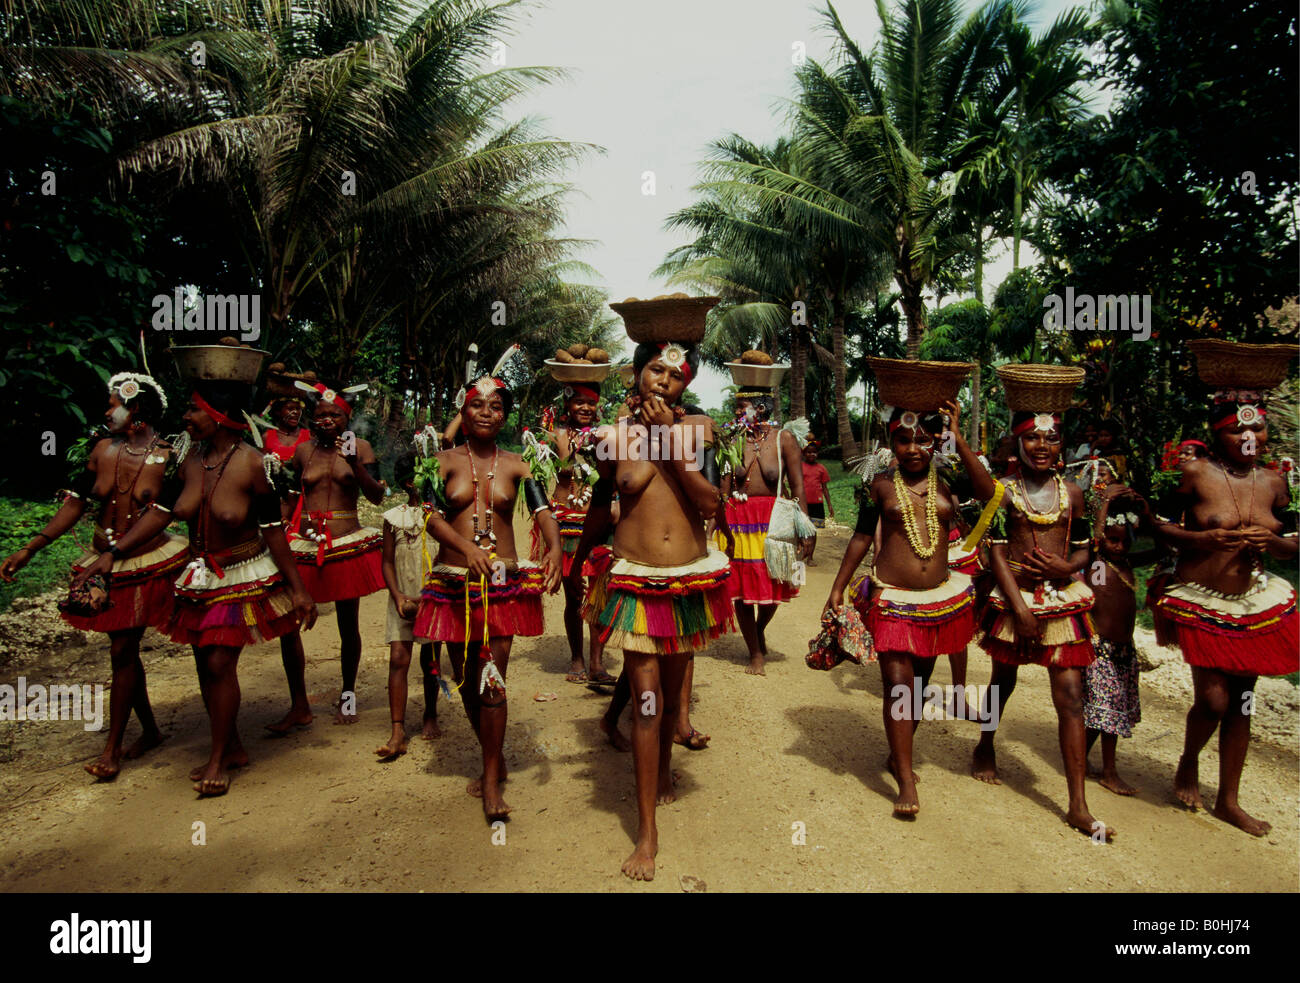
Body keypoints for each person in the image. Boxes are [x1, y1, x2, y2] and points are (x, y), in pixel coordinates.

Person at [75, 354, 317, 796]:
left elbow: (274, 532)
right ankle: (234, 745)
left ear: (220, 417)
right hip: (198, 575)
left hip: (242, 572)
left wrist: (298, 591)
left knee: (220, 661)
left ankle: (218, 757)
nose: (185, 416)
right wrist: (114, 552)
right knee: (204, 662)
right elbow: (161, 514)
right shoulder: (188, 460)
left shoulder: (253, 464)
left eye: (193, 409)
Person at [568, 333, 733, 881]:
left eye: (677, 376)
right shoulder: (613, 437)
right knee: (645, 697)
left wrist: (668, 440)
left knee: (670, 688)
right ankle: (646, 832)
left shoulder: (698, 431)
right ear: (636, 375)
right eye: (656, 372)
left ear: (687, 385)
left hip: (686, 580)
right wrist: (576, 561)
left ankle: (663, 768)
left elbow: (710, 503)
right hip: (635, 579)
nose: (665, 382)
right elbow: (600, 500)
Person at [2, 372, 189, 781]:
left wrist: (117, 553)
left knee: (123, 651)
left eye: (112, 404)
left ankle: (113, 749)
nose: (106, 412)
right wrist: (31, 547)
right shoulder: (101, 449)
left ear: (135, 407)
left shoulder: (169, 456)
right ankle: (151, 732)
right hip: (103, 559)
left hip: (144, 561)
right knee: (124, 651)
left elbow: (163, 514)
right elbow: (77, 503)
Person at [825, 382, 997, 816]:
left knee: (918, 689)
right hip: (893, 599)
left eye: (923, 438)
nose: (914, 448)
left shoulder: (951, 478)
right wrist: (837, 586)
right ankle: (905, 779)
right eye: (904, 439)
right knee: (898, 685)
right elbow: (862, 536)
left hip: (937, 600)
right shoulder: (880, 484)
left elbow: (988, 491)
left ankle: (896, 754)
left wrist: (956, 438)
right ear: (891, 442)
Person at [1152, 351, 1298, 836]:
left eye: (1256, 431)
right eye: (1238, 430)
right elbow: (1157, 526)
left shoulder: (1277, 482)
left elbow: (1293, 543)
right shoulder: (1194, 475)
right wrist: (1201, 540)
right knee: (1213, 700)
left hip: (1254, 605)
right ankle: (1190, 760)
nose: (1249, 439)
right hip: (1200, 599)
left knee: (1243, 701)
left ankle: (1229, 800)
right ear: (1218, 432)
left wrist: (1274, 542)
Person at [972, 365, 1113, 840]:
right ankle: (986, 744)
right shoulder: (1003, 492)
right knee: (1002, 682)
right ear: (1017, 443)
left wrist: (1067, 569)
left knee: (1071, 695)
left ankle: (1077, 804)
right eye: (1032, 438)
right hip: (1015, 599)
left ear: (1060, 447)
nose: (1041, 446)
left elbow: (1084, 546)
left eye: (1050, 440)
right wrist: (1020, 609)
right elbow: (993, 551)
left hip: (1062, 599)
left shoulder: (1072, 492)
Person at [415, 368, 562, 820]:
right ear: (464, 411)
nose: (486, 412)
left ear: (504, 416)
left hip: (502, 585)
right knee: (463, 680)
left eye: (495, 406)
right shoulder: (439, 463)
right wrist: (464, 549)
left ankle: (492, 777)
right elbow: (429, 516)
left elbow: (543, 511)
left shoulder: (519, 463)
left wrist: (554, 545)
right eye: (478, 405)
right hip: (452, 582)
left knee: (491, 681)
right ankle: (492, 757)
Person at [269, 382, 386, 731]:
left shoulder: (361, 447)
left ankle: (348, 696)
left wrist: (356, 464)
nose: (326, 420)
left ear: (346, 417)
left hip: (345, 542)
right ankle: (299, 704)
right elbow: (289, 500)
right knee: (289, 625)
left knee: (347, 626)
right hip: (303, 545)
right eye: (320, 415)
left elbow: (378, 495)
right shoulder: (302, 452)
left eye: (334, 415)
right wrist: (276, 535)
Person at [720, 387, 813, 676]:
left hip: (775, 518)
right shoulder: (731, 439)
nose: (737, 411)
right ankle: (755, 652)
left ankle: (759, 628)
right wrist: (716, 520)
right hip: (738, 518)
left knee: (777, 580)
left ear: (760, 408)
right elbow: (724, 483)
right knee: (741, 587)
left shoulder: (784, 438)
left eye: (742, 406)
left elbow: (797, 484)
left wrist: (806, 528)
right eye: (736, 406)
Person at [542, 381, 617, 685]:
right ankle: (577, 658)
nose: (585, 408)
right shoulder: (553, 436)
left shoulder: (606, 436)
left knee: (598, 593)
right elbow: (534, 477)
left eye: (591, 403)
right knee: (574, 595)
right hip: (566, 523)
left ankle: (597, 663)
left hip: (597, 522)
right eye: (579, 402)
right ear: (568, 404)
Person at [1083, 489, 1154, 796]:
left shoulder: (1128, 562)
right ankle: (1110, 772)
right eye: (1114, 539)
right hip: (1100, 650)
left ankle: (1079, 755)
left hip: (1124, 652)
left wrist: (1146, 513)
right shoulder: (1098, 565)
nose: (1119, 545)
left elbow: (1164, 548)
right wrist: (1108, 504)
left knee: (1104, 711)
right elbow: (1096, 539)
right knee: (1109, 712)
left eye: (1125, 541)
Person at [375, 452, 442, 757]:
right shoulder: (393, 517)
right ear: (407, 482)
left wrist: (431, 593)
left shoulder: (440, 516)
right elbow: (387, 562)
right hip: (400, 597)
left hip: (432, 597)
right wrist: (398, 595)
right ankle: (397, 729)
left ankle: (430, 713)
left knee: (431, 659)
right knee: (398, 659)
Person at [801, 440, 834, 544]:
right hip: (803, 504)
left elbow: (825, 488)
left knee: (814, 530)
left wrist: (829, 505)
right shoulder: (799, 467)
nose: (812, 454)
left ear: (817, 453)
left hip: (817, 504)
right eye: (809, 452)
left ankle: (810, 555)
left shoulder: (821, 468)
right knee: (802, 529)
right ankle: (802, 551)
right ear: (804, 453)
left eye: (814, 452)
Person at [262, 396, 311, 463]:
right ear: (278, 411)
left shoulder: (309, 436)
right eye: (290, 409)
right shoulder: (267, 437)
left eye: (298, 408)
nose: (296, 412)